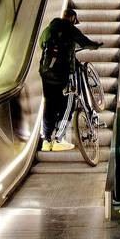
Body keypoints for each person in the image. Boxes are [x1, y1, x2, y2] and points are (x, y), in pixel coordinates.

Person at [38, 8, 102, 150]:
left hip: (46, 73)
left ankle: (46, 141)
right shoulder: (70, 29)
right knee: (68, 104)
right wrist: (96, 46)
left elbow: (41, 44)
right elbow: (84, 42)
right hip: (64, 74)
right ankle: (59, 140)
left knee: (49, 104)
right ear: (72, 18)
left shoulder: (49, 29)